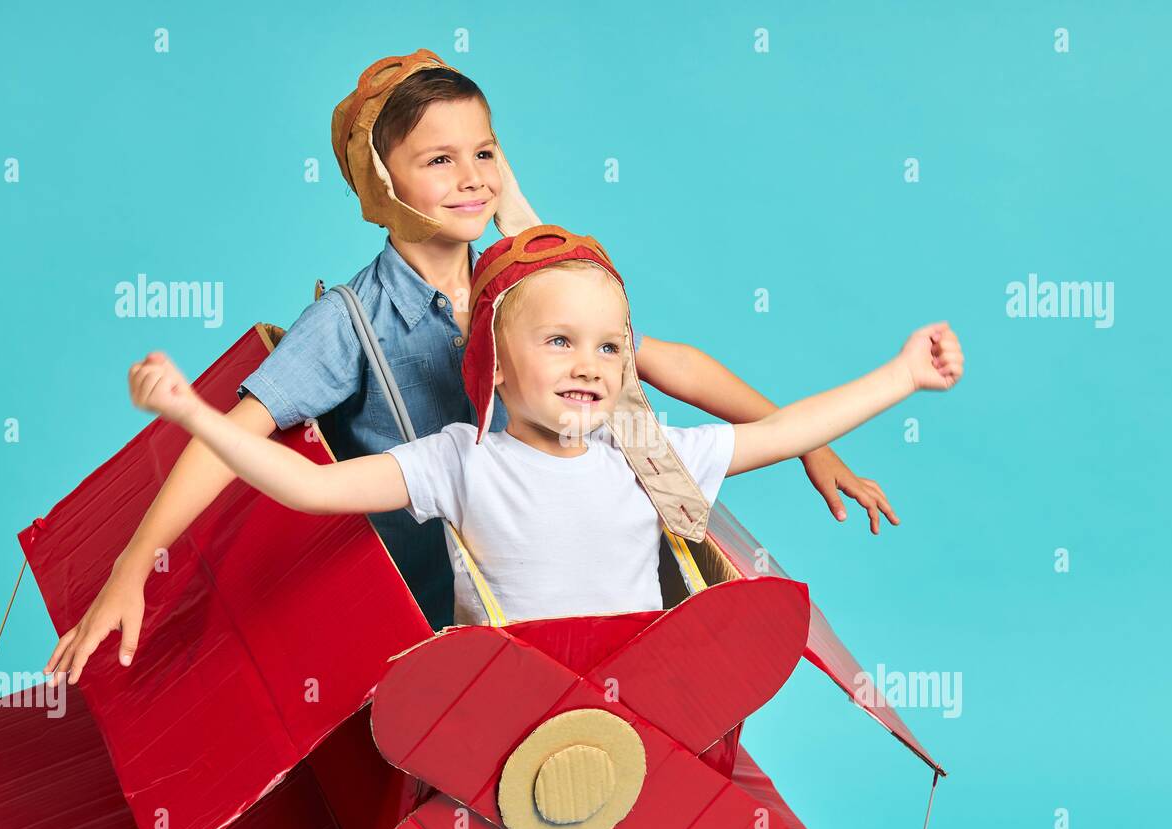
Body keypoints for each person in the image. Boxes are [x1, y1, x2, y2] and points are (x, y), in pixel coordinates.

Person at [46, 50, 896, 683]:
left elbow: (658, 361)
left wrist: (804, 441)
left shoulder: (528, 283)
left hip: (590, 573)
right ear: (382, 182)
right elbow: (231, 439)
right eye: (438, 159)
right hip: (443, 616)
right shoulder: (351, 322)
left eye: (485, 153)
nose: (471, 179)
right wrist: (134, 565)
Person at [123, 226, 964, 625]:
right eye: (559, 343)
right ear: (491, 360)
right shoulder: (459, 460)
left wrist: (900, 375)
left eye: (609, 348)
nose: (590, 365)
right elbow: (304, 486)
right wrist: (195, 411)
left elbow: (784, 432)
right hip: (501, 722)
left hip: (626, 706)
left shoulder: (642, 454)